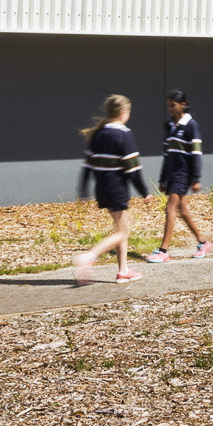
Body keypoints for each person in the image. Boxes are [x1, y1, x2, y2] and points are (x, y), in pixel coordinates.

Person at [72, 95, 148, 285]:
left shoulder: (99, 134)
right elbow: (133, 169)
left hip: (102, 189)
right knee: (122, 232)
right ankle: (89, 256)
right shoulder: (124, 134)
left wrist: (83, 191)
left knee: (121, 229)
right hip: (117, 189)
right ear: (123, 113)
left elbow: (87, 166)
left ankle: (123, 271)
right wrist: (144, 191)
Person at [147, 89, 213, 263]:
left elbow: (196, 153)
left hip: (184, 174)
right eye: (168, 105)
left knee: (170, 208)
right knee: (182, 211)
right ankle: (203, 243)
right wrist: (162, 179)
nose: (170, 108)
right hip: (172, 175)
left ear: (183, 105)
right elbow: (167, 156)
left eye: (173, 105)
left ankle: (163, 251)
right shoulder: (170, 127)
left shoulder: (191, 125)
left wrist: (196, 178)